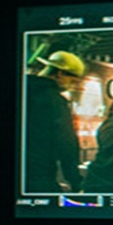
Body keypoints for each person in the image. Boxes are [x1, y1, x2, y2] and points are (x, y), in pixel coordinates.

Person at [24, 50, 85, 192]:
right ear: (60, 74)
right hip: (39, 174)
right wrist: (74, 180)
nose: (72, 86)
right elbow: (66, 142)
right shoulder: (55, 101)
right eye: (73, 80)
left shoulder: (22, 91)